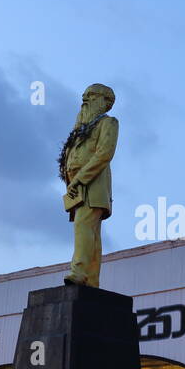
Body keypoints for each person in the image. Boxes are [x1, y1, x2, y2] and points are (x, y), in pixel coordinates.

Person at [59, 84, 119, 287]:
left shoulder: (108, 123)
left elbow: (104, 154)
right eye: (84, 95)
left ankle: (79, 272)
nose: (86, 99)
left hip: (92, 185)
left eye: (92, 95)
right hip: (77, 186)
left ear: (106, 102)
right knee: (91, 233)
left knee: (83, 226)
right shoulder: (79, 131)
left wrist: (79, 178)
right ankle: (91, 279)